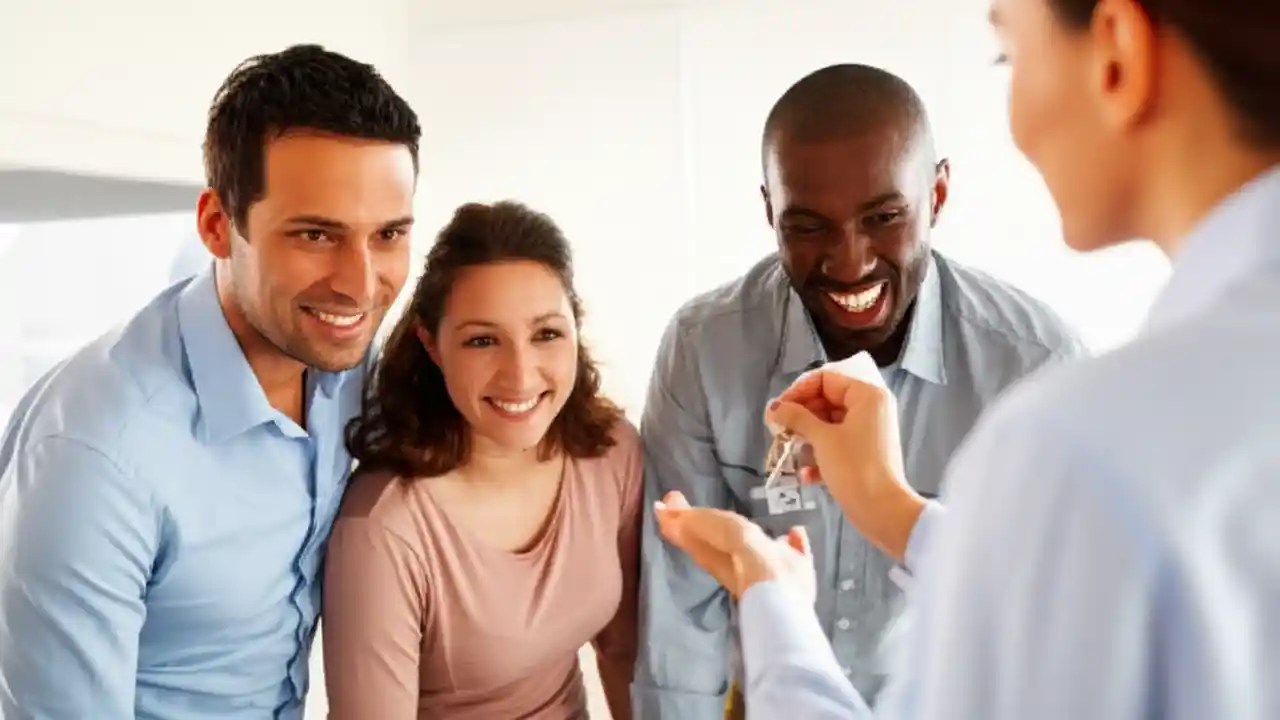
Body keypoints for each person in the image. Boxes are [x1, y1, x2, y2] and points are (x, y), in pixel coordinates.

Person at [654, 0, 1280, 716]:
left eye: (1009, 56)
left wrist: (769, 596)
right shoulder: (1175, 411)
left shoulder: (1068, 425)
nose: (1017, 130)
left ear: (1117, 55)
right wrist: (889, 515)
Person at [634, 63, 1087, 715]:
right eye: (807, 226)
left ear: (937, 195)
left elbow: (1056, 618)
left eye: (884, 217)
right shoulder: (702, 347)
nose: (850, 262)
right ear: (770, 211)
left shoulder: (1037, 367)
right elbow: (681, 612)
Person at [0, 45, 419, 719]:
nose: (361, 285)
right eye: (316, 235)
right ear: (218, 226)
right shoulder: (94, 456)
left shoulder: (349, 363)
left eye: (388, 235)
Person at [322, 201, 642, 720]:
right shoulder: (384, 528)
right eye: (482, 341)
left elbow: (623, 652)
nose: (520, 375)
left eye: (546, 334)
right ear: (432, 345)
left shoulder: (611, 454)